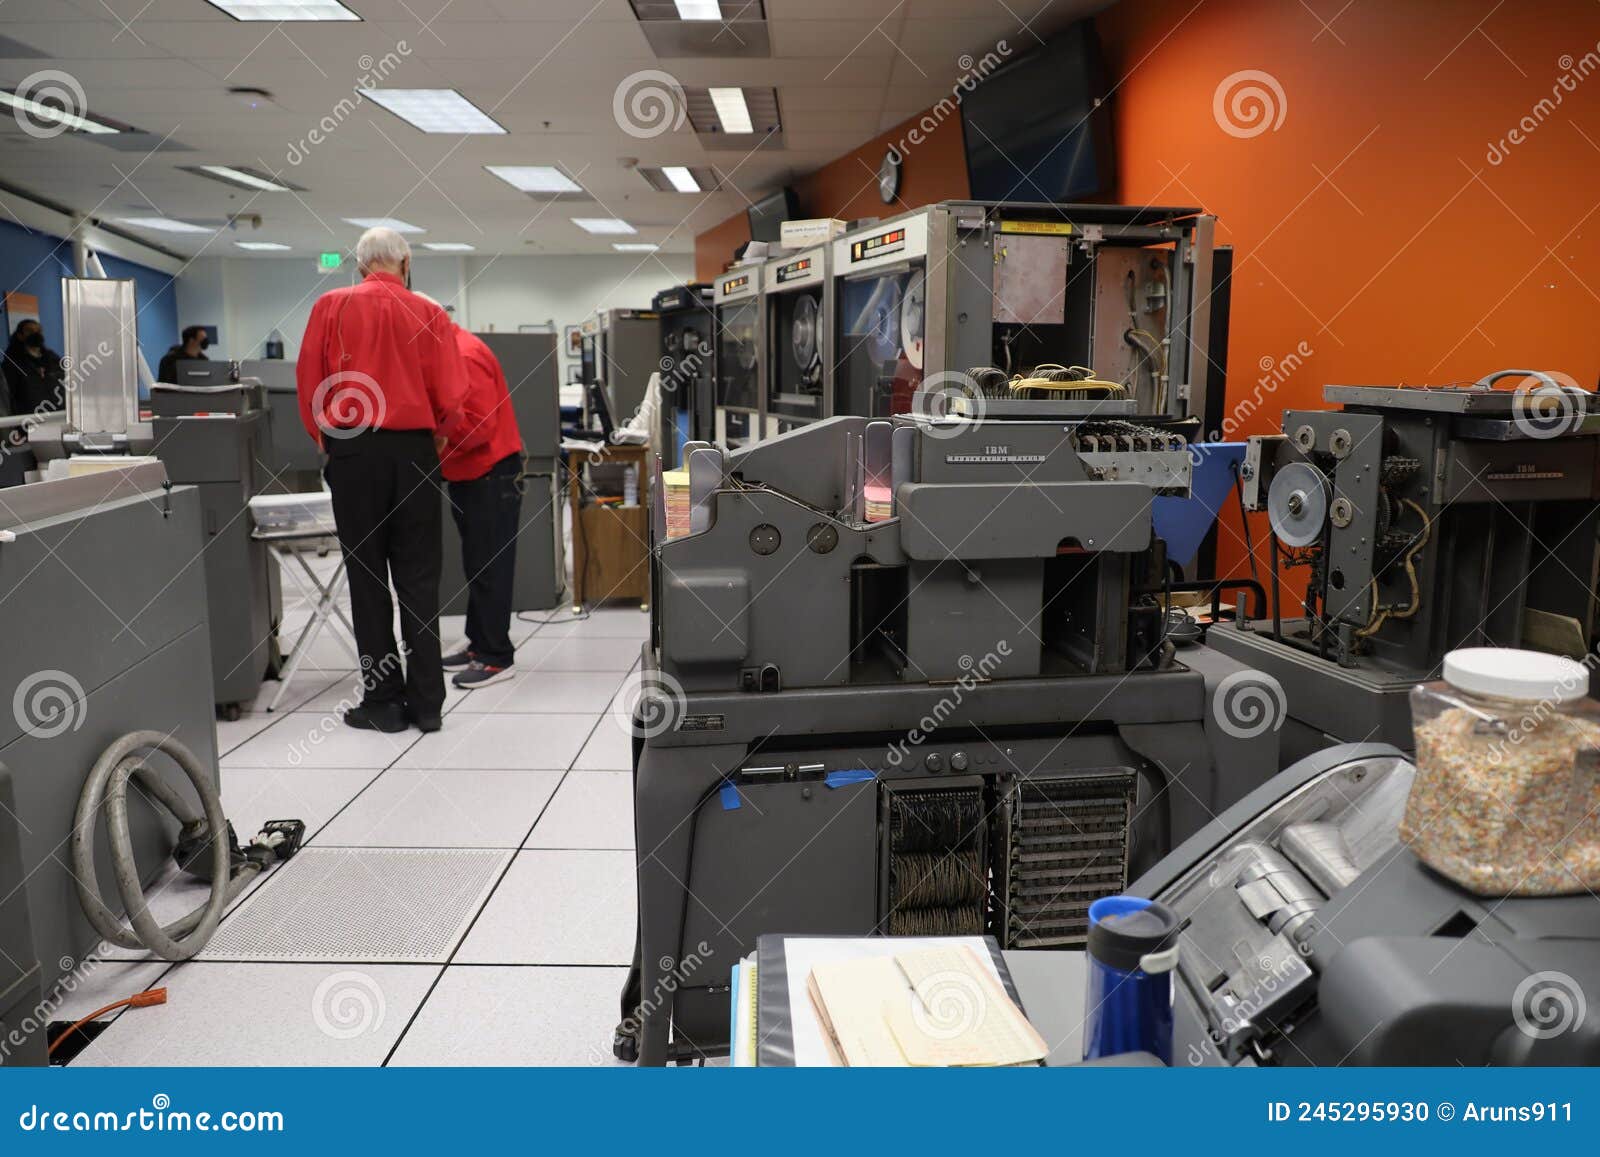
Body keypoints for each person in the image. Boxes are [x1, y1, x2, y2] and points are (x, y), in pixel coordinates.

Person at [296, 227, 468, 734]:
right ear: (406, 262)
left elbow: (311, 384)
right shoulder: (431, 313)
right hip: (415, 452)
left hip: (354, 451)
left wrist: (332, 443)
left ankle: (383, 703)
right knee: (419, 579)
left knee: (367, 580)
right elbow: (454, 397)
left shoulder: (331, 306)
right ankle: (429, 704)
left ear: (360, 264)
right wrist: (432, 443)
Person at [439, 325, 524, 689]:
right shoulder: (452, 349)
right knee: (478, 565)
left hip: (488, 475)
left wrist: (431, 437)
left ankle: (496, 657)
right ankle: (479, 644)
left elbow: (476, 427)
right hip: (473, 475)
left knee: (490, 567)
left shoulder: (462, 355)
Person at [2, 319, 65, 415]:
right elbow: (9, 397)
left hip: (57, 415)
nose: (35, 333)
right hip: (29, 420)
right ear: (20, 335)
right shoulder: (12, 363)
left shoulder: (53, 359)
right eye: (30, 331)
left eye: (38, 331)